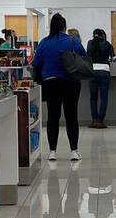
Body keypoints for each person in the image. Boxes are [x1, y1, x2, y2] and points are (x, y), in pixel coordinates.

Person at [31, 12, 87, 162]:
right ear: (64, 26)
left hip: (51, 83)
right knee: (71, 116)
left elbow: (36, 64)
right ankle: (74, 151)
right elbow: (84, 56)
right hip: (71, 83)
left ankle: (52, 152)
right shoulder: (73, 41)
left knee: (53, 117)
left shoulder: (44, 42)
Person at [87, 27, 115, 129]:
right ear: (103, 35)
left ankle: (94, 120)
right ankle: (100, 121)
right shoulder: (107, 44)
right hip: (104, 71)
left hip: (92, 71)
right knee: (104, 98)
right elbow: (113, 57)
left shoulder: (90, 43)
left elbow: (87, 55)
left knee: (93, 98)